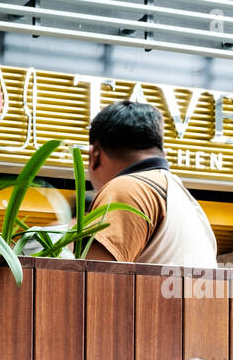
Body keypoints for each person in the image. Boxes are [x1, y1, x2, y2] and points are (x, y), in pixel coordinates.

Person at [84, 100, 217, 267]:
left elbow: (92, 282)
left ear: (94, 155)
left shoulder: (126, 189)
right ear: (163, 153)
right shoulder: (186, 202)